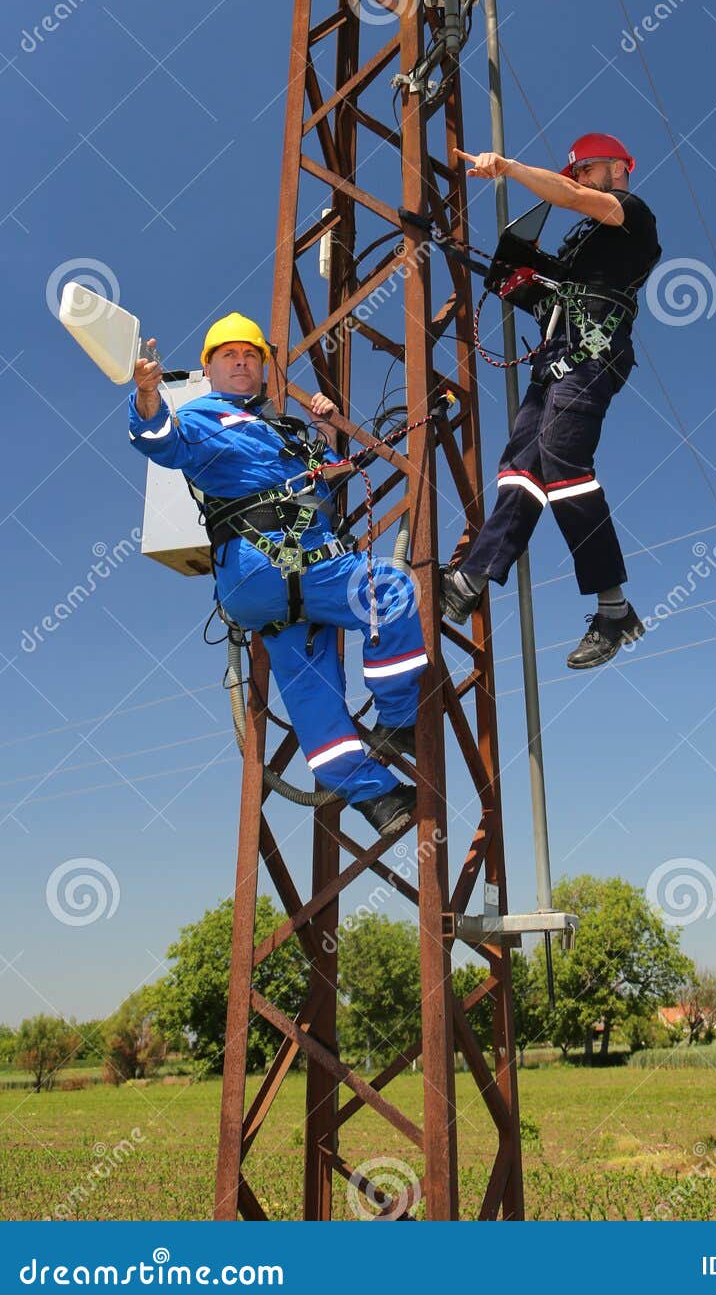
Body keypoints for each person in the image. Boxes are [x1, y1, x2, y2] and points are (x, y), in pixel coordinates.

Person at [128, 313, 424, 839]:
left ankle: (378, 800)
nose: (241, 363)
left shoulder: (284, 429)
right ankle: (399, 721)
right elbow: (160, 440)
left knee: (312, 695)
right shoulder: (200, 417)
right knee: (389, 590)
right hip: (273, 563)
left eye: (251, 356)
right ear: (209, 369)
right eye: (229, 355)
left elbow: (324, 484)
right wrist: (148, 396)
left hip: (265, 587)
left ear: (263, 368)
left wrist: (324, 431)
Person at [443, 132, 661, 669]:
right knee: (520, 470)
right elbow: (546, 291)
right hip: (555, 360)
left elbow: (574, 199)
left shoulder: (631, 214)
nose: (580, 178)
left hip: (591, 356)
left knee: (565, 465)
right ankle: (471, 580)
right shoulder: (580, 245)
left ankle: (614, 608)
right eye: (577, 172)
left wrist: (509, 167)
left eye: (587, 169)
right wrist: (497, 269)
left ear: (618, 168)